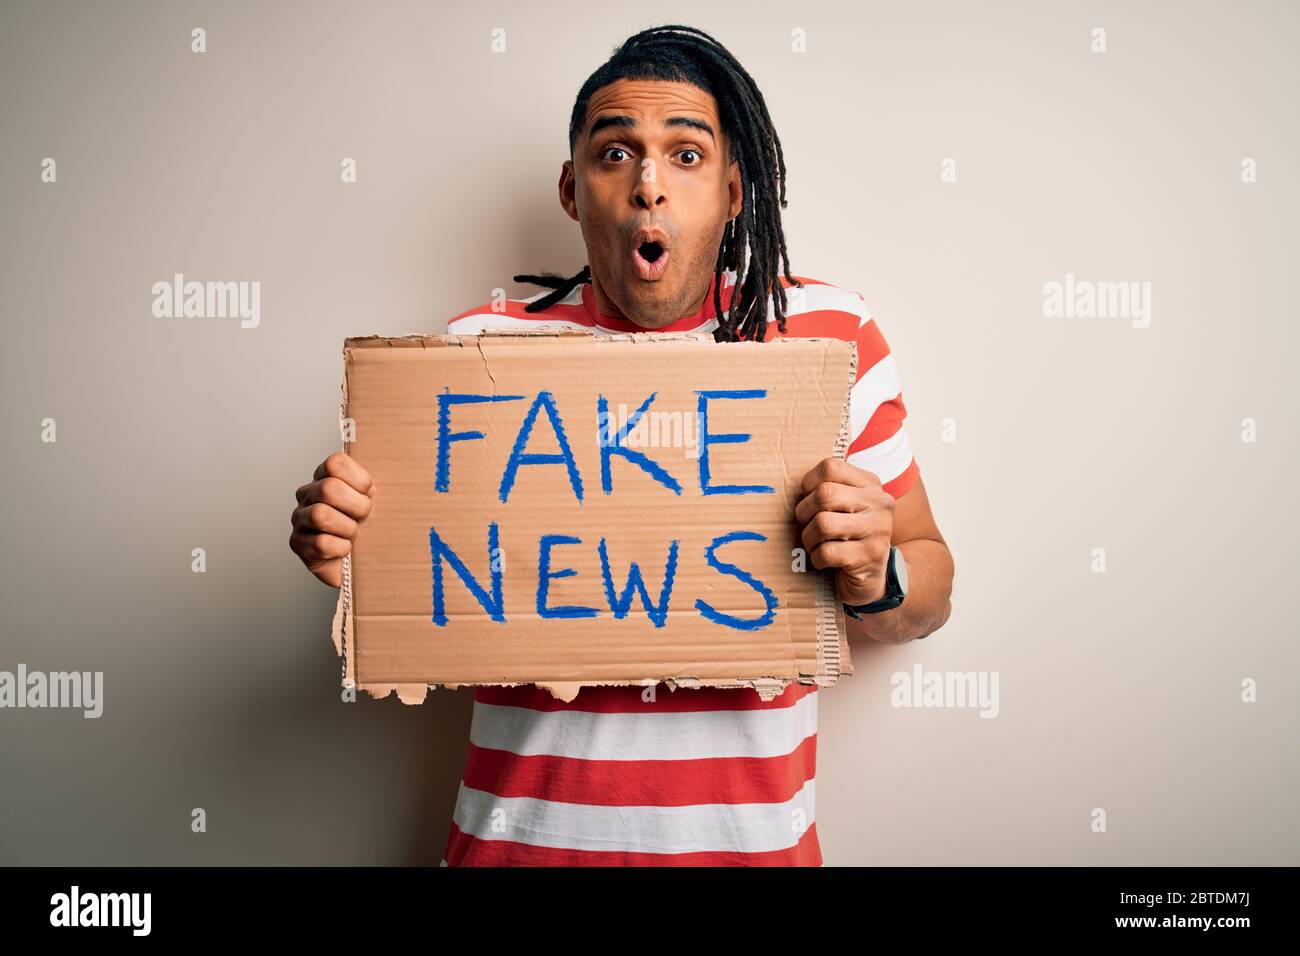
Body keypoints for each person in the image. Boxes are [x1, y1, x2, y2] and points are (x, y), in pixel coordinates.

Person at [290, 24, 954, 866]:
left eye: (686, 155)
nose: (649, 186)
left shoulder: (824, 339)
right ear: (573, 190)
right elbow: (410, 587)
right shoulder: (475, 357)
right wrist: (348, 548)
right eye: (615, 154)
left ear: (736, 189)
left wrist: (876, 570)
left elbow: (930, 585)